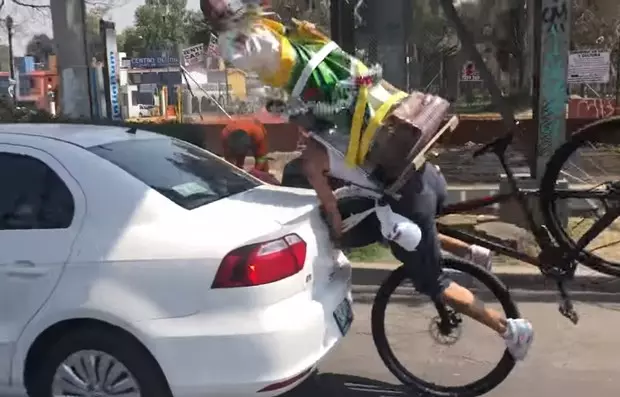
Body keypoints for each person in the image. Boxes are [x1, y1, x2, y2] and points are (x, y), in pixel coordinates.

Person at [202, 0, 533, 360]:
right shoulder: (310, 50)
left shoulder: (322, 146)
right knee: (384, 223)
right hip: (427, 179)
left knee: (431, 281)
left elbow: (247, 50)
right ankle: (471, 252)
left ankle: (510, 330)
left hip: (409, 196)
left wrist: (333, 218)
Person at [220, 116, 280, 184]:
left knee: (263, 169)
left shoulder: (258, 134)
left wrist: (255, 172)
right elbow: (229, 160)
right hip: (238, 134)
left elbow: (262, 157)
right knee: (235, 171)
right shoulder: (225, 135)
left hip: (255, 127)